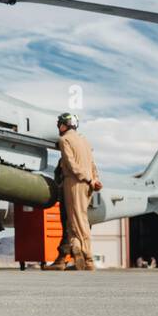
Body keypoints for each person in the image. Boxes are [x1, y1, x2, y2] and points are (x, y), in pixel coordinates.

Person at [55, 112, 102, 271]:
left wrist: (88, 178)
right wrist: (94, 180)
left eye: (59, 124)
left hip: (75, 183)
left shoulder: (64, 140)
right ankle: (78, 255)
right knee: (72, 222)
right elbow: (93, 164)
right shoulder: (85, 140)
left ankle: (88, 260)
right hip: (88, 184)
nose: (58, 127)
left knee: (80, 222)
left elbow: (71, 164)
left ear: (64, 125)